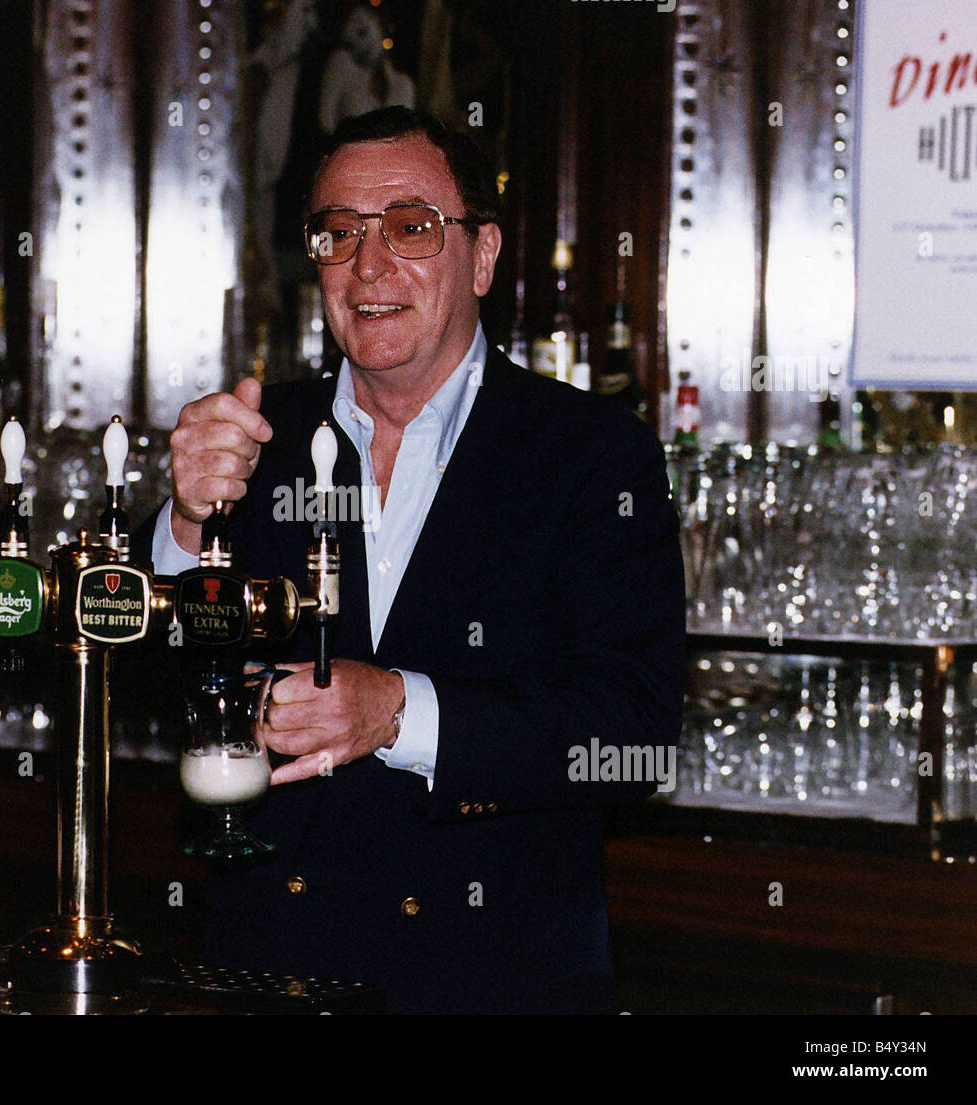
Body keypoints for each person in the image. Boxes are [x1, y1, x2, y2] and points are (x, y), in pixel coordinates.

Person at [134, 106, 684, 1014]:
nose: (368, 265)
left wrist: (398, 711)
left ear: (483, 255)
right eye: (337, 234)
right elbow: (158, 677)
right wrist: (189, 522)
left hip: (493, 977)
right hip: (271, 970)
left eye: (410, 228)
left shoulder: (588, 451)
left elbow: (631, 738)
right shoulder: (258, 437)